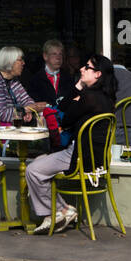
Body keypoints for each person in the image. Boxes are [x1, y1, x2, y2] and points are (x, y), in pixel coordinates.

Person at [25, 53, 117, 234]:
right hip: (95, 158)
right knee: (40, 162)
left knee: (33, 170)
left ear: (97, 74)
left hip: (79, 157)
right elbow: (67, 110)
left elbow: (63, 117)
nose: (82, 69)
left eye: (87, 67)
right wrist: (80, 87)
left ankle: (56, 212)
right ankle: (64, 210)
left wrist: (78, 91)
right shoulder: (106, 97)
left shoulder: (89, 97)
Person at [0, 46, 46, 128]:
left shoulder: (13, 80)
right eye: (20, 60)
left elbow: (26, 99)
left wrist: (28, 111)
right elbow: (2, 114)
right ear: (9, 62)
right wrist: (26, 109)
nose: (23, 63)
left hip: (9, 127)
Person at [21, 39, 71, 105]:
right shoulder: (35, 80)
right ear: (45, 56)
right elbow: (34, 104)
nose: (58, 58)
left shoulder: (68, 77)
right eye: (54, 54)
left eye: (60, 54)